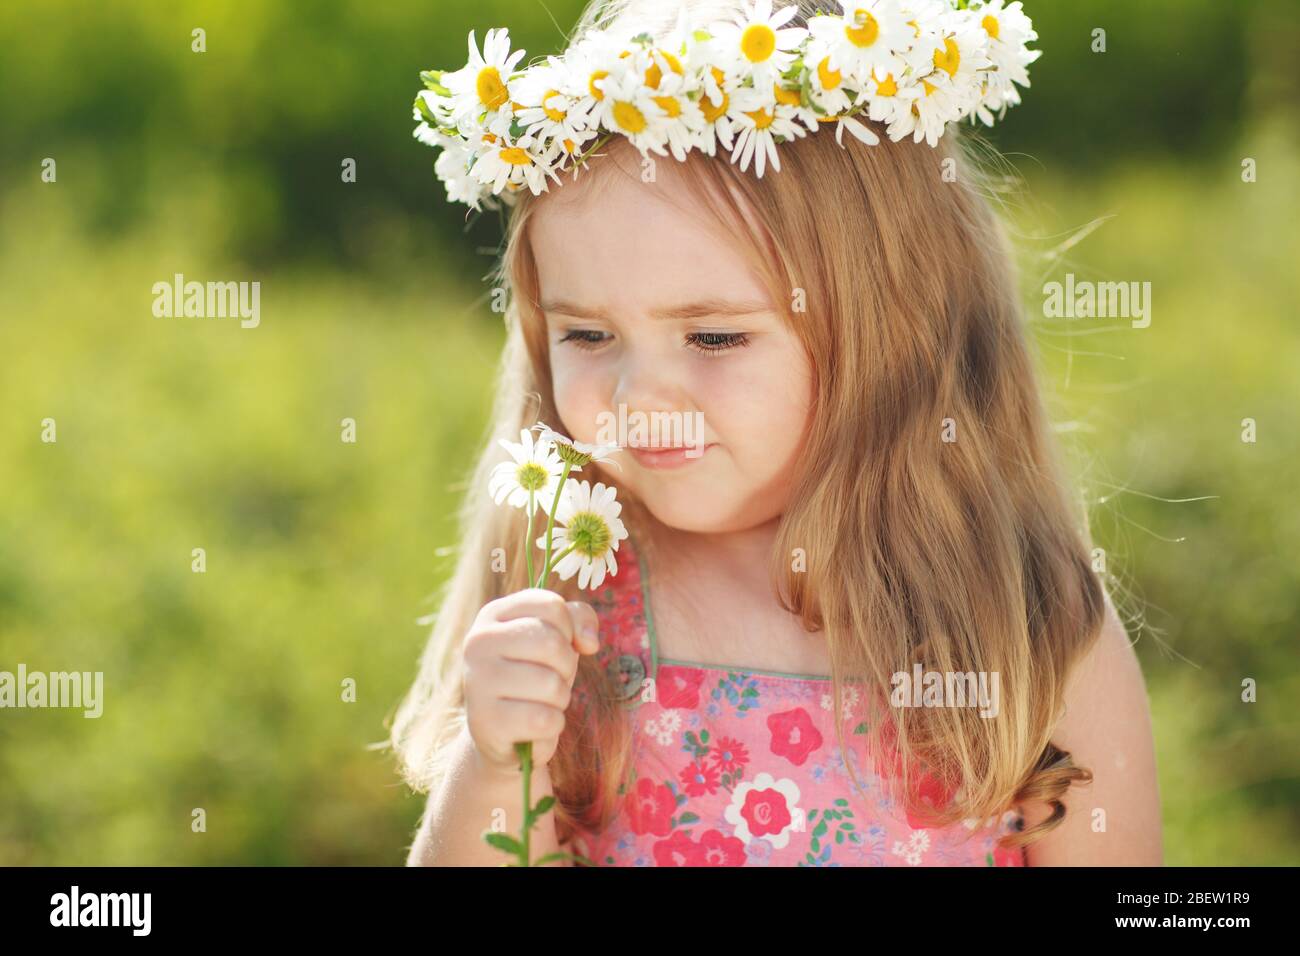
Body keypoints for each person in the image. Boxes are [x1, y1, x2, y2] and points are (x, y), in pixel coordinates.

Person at [391, 0, 1162, 866]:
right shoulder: (576, 607)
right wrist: (496, 765)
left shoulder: (1025, 622)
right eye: (588, 335)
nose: (639, 397)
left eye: (714, 337)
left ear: (893, 331)